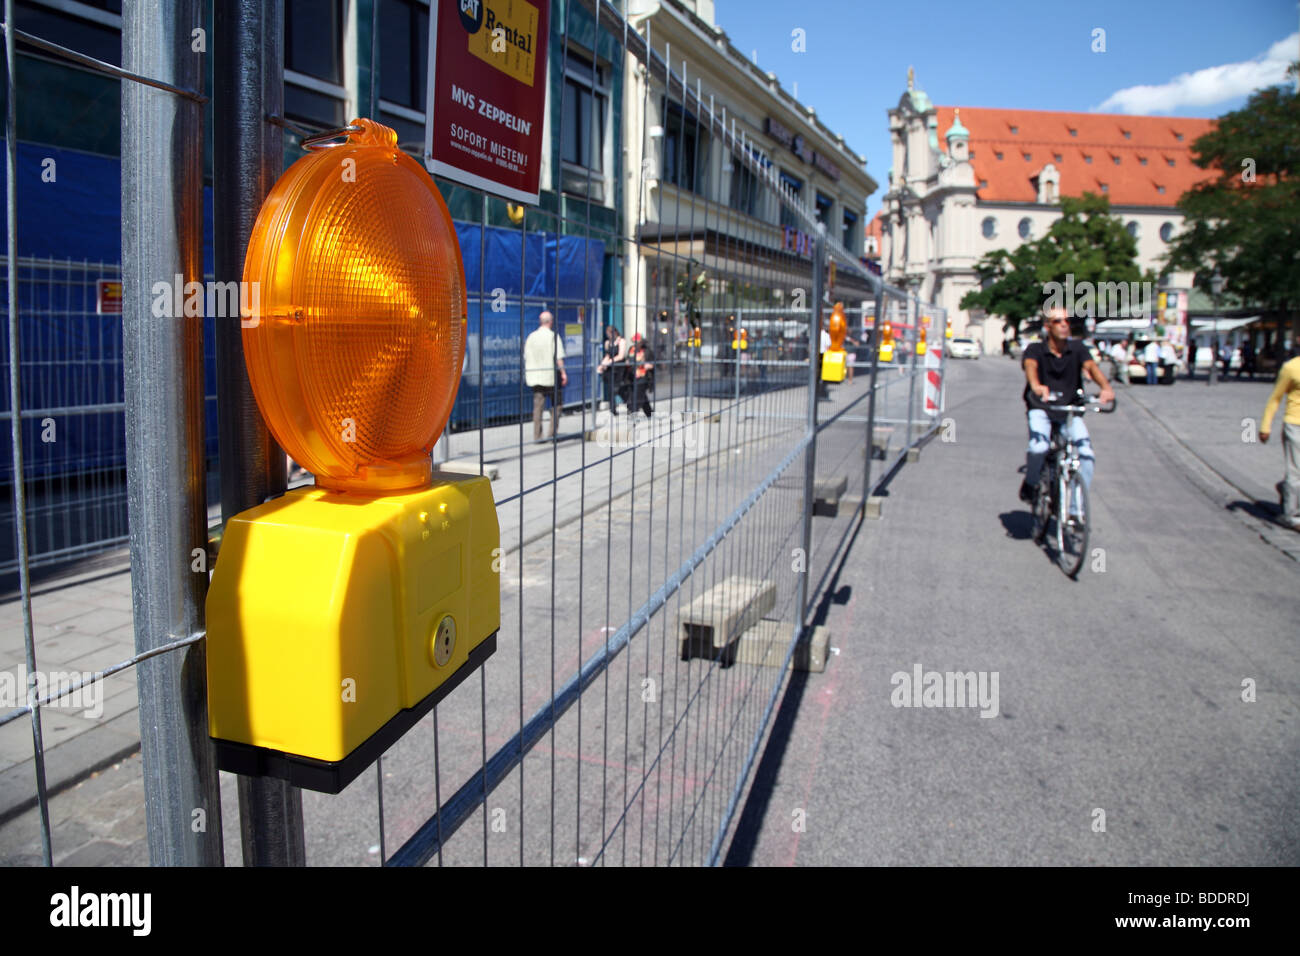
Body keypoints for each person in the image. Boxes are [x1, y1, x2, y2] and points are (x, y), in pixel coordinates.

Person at [1018, 307, 1115, 505]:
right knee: (1039, 447)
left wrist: (1105, 387)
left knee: (1086, 454)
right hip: (1041, 408)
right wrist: (1036, 386)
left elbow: (1091, 367)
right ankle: (1031, 482)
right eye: (1057, 321)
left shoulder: (1078, 348)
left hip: (1069, 411)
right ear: (1047, 327)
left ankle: (1074, 510)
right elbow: (1031, 366)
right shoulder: (1035, 349)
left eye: (1067, 321)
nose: (1064, 325)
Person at [1259, 352, 1300, 530]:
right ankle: (1291, 515)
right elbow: (1275, 398)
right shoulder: (1291, 367)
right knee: (1296, 470)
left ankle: (1285, 488)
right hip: (1295, 425)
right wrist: (1265, 427)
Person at [523, 310, 567, 442]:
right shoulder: (553, 336)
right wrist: (563, 373)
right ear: (551, 322)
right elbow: (559, 357)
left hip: (535, 377)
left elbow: (526, 356)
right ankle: (552, 434)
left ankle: (537, 436)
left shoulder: (531, 337)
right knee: (556, 405)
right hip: (551, 377)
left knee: (538, 408)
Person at [597, 324, 628, 413]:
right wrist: (602, 364)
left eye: (610, 333)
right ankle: (613, 409)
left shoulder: (621, 341)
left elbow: (621, 356)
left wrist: (610, 361)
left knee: (619, 388)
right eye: (608, 334)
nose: (609, 336)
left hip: (619, 368)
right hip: (610, 369)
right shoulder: (608, 343)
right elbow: (607, 355)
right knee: (610, 388)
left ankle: (629, 404)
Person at [625, 332, 655, 419]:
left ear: (641, 342)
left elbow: (653, 364)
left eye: (637, 342)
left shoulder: (647, 350)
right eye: (634, 342)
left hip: (643, 376)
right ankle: (650, 414)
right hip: (632, 377)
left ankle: (632, 413)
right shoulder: (631, 349)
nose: (635, 344)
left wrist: (649, 365)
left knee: (637, 396)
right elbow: (628, 359)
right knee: (642, 397)